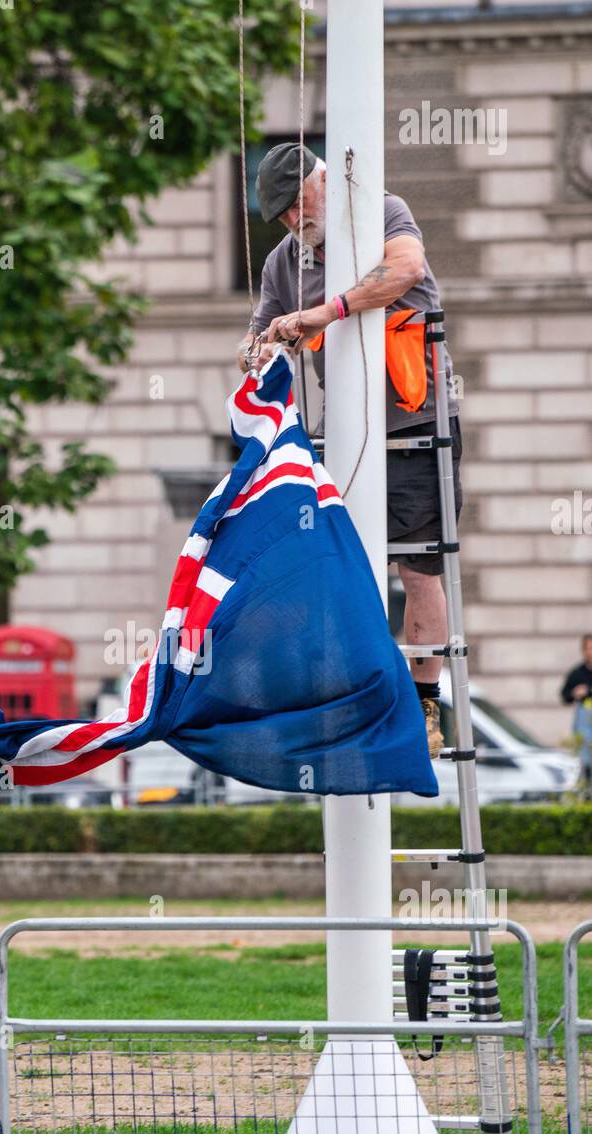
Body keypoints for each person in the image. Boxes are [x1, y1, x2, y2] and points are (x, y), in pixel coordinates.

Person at [238, 143, 463, 758]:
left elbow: (406, 270)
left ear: (321, 181)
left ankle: (424, 705)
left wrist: (321, 313)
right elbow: (259, 331)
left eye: (295, 204)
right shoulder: (285, 262)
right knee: (339, 565)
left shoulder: (384, 213)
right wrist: (258, 349)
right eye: (279, 213)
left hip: (418, 424)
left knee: (420, 569)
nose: (290, 220)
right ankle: (347, 691)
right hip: (344, 434)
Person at [561, 633, 592, 795]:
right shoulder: (577, 673)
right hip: (585, 725)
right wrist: (575, 693)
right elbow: (564, 696)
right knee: (585, 762)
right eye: (588, 648)